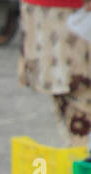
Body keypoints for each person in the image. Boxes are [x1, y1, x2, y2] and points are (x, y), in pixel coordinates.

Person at [17, 0, 91, 145]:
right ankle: (79, 156)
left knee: (74, 100)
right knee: (77, 99)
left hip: (59, 14)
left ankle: (78, 155)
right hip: (66, 13)